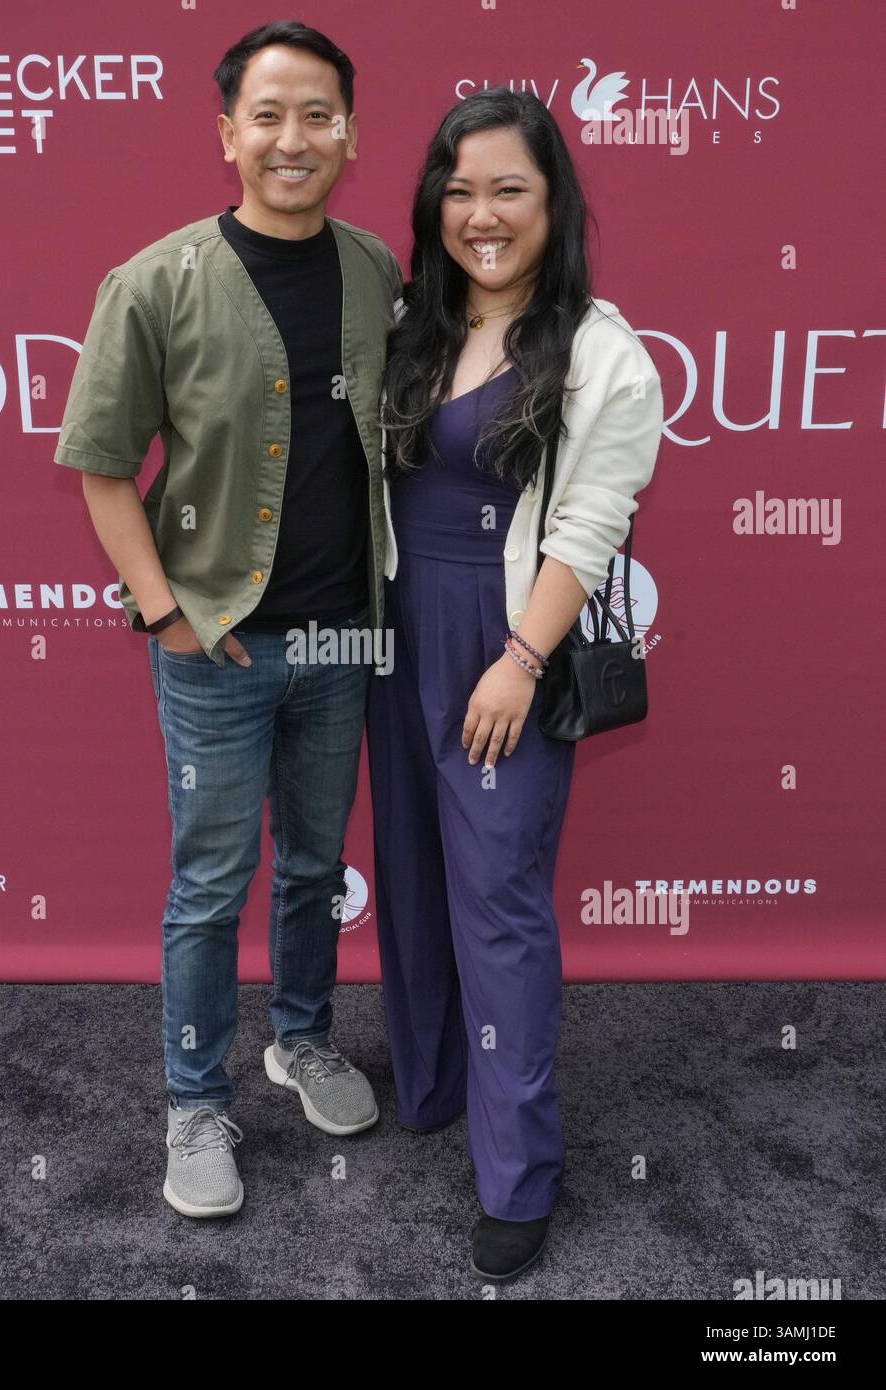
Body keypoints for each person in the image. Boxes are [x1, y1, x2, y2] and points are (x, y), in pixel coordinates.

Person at [53, 21, 403, 1218]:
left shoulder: (375, 271)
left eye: (316, 115)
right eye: (267, 115)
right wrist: (166, 612)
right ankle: (193, 1102)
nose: (292, 138)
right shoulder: (153, 281)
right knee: (210, 883)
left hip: (341, 642)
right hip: (218, 648)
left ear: (348, 134)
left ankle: (299, 1039)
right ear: (226, 135)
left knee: (312, 866)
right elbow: (103, 463)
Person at [367, 87, 664, 1281]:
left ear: (554, 202)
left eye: (508, 190)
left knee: (496, 909)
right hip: (394, 636)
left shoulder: (602, 351)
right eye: (456, 189)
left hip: (503, 645)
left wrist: (518, 658)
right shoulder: (407, 322)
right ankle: (432, 1086)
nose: (478, 215)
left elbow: (586, 529)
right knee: (410, 878)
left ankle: (518, 1173)